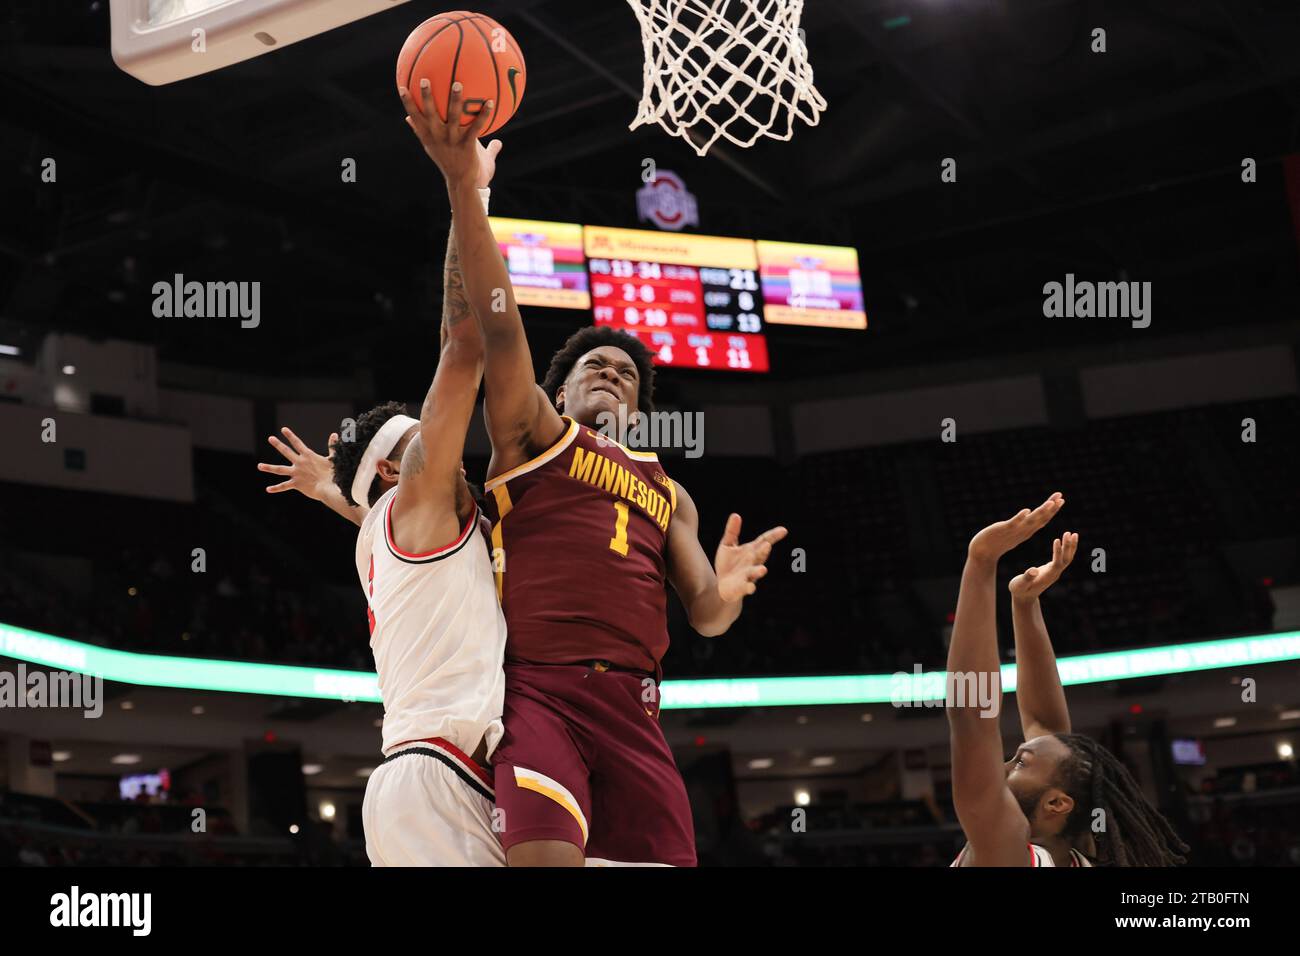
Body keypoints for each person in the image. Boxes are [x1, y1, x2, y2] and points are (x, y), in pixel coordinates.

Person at [422, 83, 788, 866]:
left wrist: (727, 589)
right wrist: (467, 193)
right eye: (595, 364)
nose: (613, 372)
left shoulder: (668, 489)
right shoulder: (532, 436)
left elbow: (708, 617)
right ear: (560, 392)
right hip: (540, 688)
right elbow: (494, 322)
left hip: (637, 705)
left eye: (626, 370)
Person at [257, 78, 508, 865]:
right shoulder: (415, 509)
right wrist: (466, 194)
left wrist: (328, 488)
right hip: (440, 777)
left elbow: (358, 506)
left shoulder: (382, 534)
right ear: (400, 469)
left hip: (427, 777)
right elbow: (464, 346)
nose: (449, 450)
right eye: (423, 444)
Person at [947, 493, 1188, 866]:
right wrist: (1025, 605)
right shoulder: (1072, 854)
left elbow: (971, 719)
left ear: (1056, 804)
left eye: (1020, 762)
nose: (1002, 766)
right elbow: (1046, 727)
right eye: (1020, 761)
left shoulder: (1006, 849)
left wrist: (981, 562)